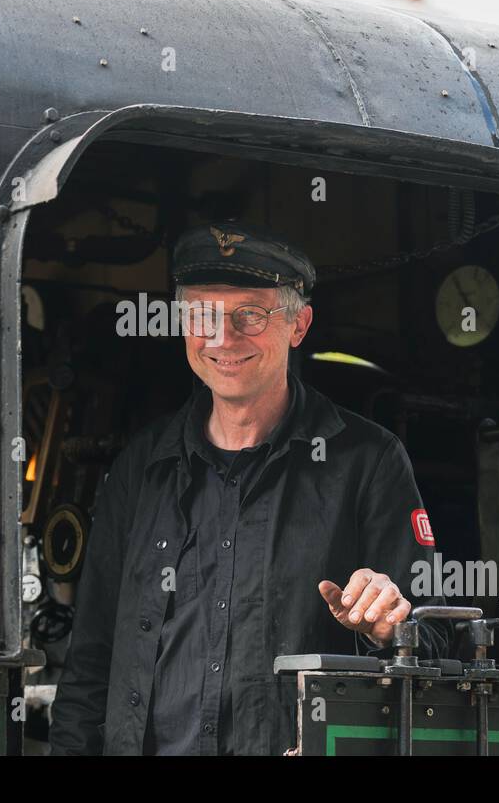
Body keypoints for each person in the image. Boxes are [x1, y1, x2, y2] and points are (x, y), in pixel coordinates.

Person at [49, 220, 449, 755]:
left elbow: (434, 645)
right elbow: (89, 664)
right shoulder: (139, 468)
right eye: (202, 314)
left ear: (299, 324)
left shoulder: (368, 462)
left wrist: (389, 626)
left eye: (251, 315)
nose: (222, 337)